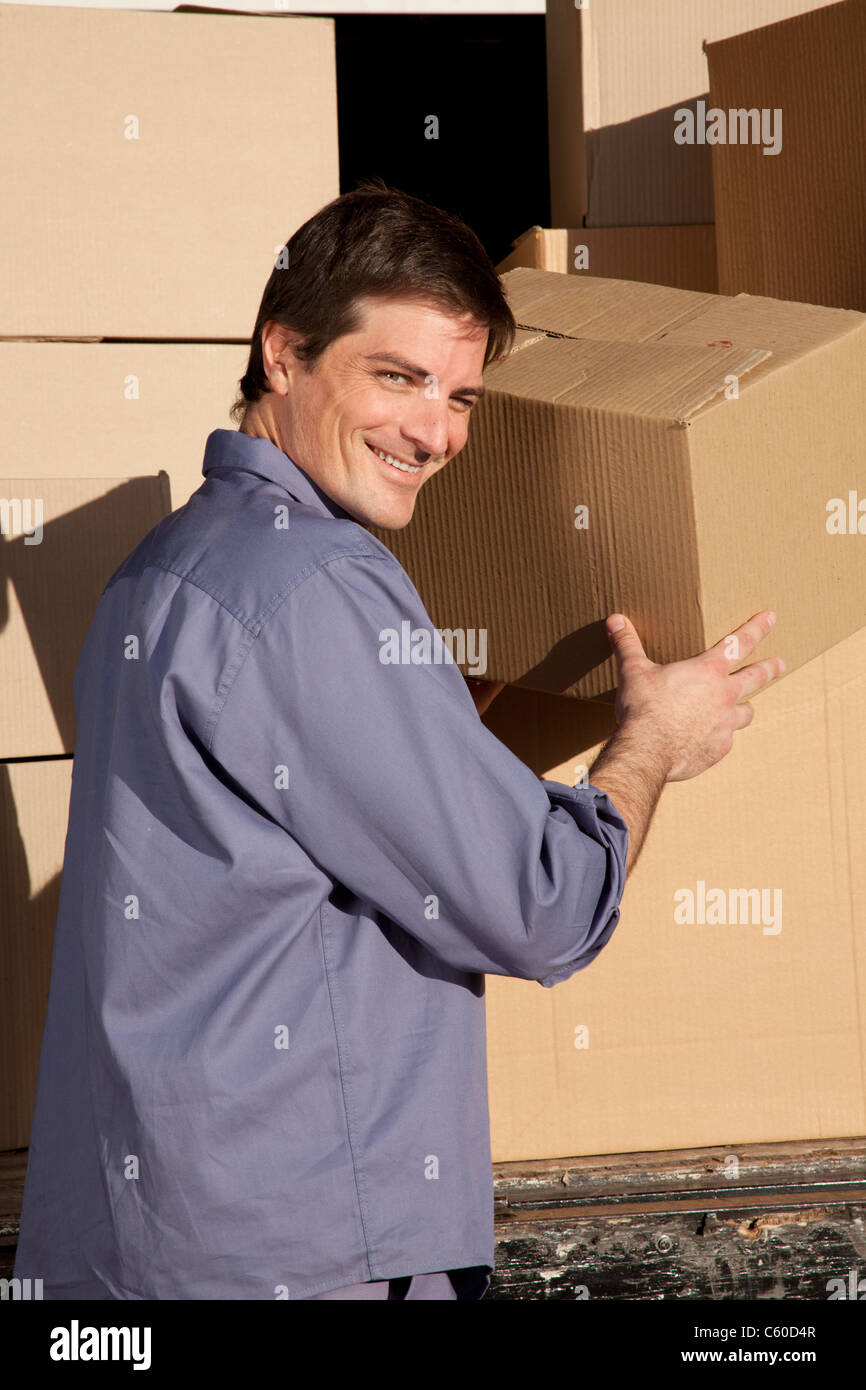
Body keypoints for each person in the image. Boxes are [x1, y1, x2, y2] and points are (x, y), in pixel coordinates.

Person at [13, 180, 784, 1301]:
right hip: (302, 1252)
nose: (435, 432)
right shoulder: (317, 583)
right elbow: (541, 904)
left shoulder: (158, 568)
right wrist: (649, 744)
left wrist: (432, 724)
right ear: (282, 355)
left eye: (461, 395)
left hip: (143, 1251)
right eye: (398, 377)